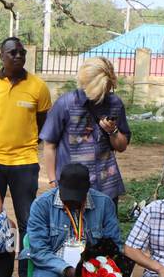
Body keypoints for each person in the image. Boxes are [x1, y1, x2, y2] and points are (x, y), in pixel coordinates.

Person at [0, 37, 53, 251]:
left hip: (25, 163)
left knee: (27, 218)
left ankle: (27, 273)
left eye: (21, 52)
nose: (18, 56)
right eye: (12, 52)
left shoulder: (38, 87)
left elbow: (43, 124)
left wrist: (25, 143)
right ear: (1, 56)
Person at [39, 56, 130, 205]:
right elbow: (49, 145)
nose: (104, 95)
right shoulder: (65, 104)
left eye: (107, 90)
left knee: (106, 227)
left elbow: (122, 146)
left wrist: (112, 131)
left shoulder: (115, 103)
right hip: (72, 187)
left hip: (106, 187)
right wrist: (52, 181)